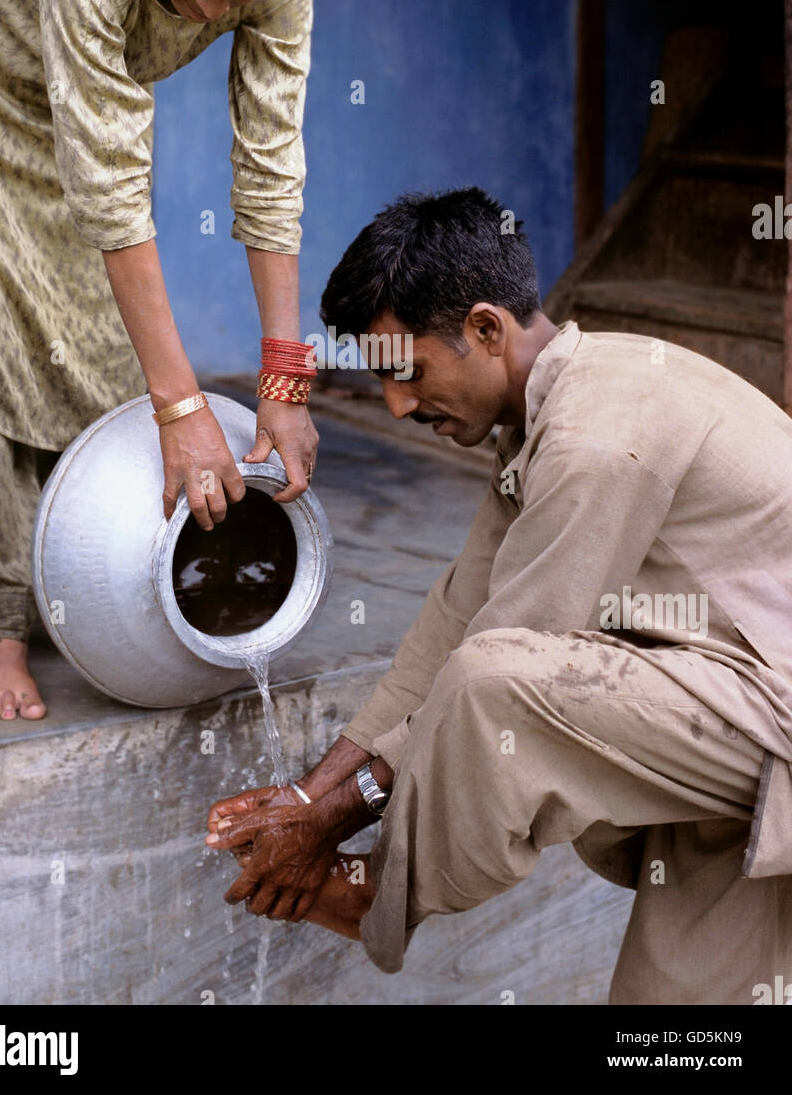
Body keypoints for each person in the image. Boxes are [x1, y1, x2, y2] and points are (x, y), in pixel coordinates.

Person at [206, 186, 792, 1005]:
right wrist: (308, 792)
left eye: (408, 374)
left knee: (493, 682)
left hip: (769, 713)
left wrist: (334, 825)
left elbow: (497, 672)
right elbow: (454, 617)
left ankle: (375, 895)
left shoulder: (596, 437)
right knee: (675, 1013)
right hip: (741, 724)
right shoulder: (549, 413)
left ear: (485, 329)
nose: (397, 404)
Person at [0, 0, 320, 722]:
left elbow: (271, 161)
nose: (215, 6)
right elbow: (112, 185)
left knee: (102, 351)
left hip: (63, 98)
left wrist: (286, 377)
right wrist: (181, 404)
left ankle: (90, 572)